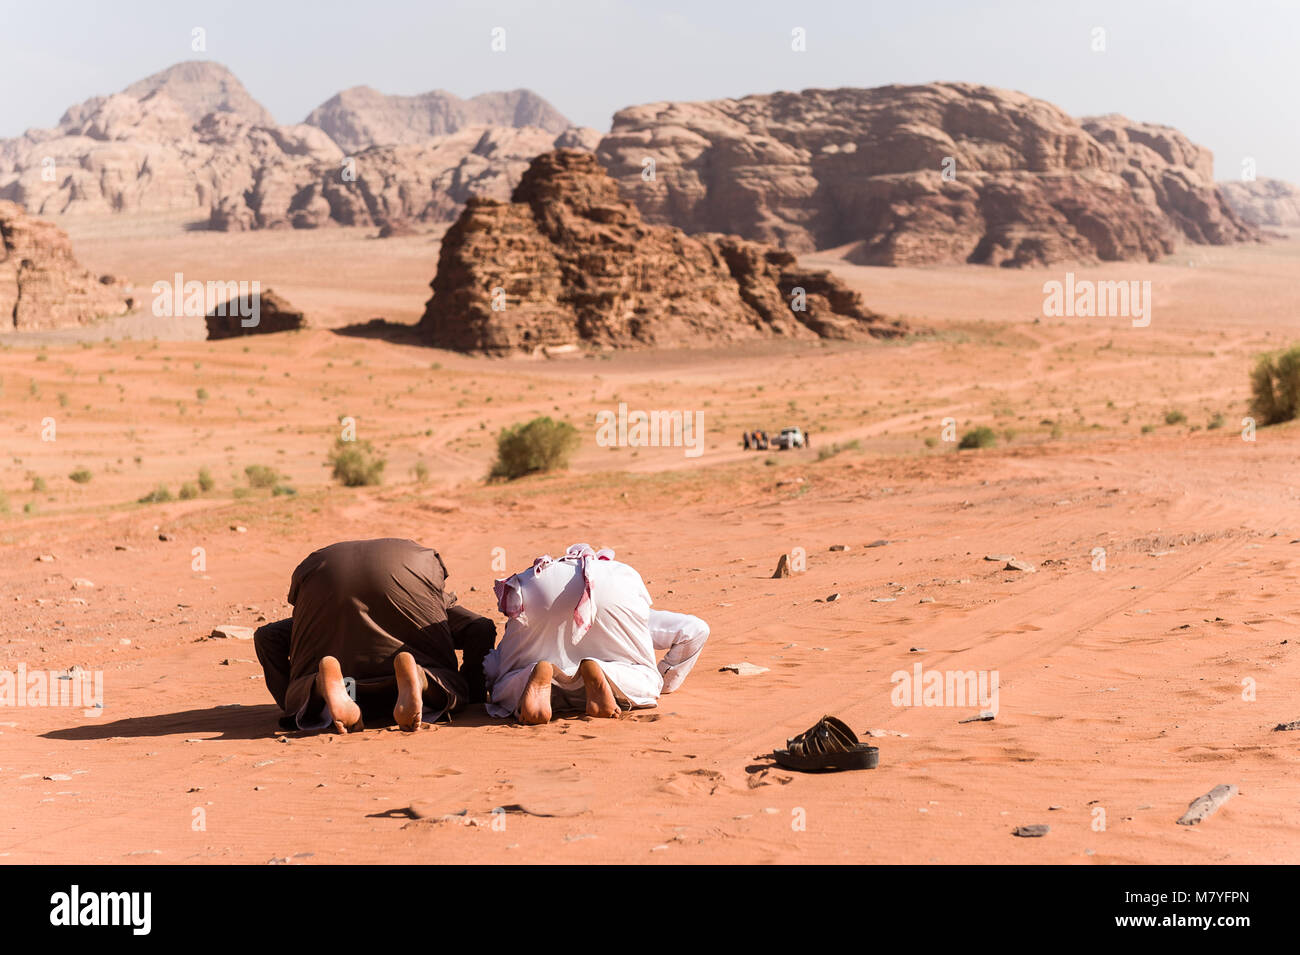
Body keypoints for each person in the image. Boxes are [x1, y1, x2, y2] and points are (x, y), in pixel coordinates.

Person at [253, 538, 496, 734]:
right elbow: (480, 628)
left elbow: (267, 637)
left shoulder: (316, 568)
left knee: (315, 690)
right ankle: (420, 678)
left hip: (349, 687)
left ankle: (319, 689)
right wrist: (473, 692)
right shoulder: (420, 574)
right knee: (445, 684)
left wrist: (289, 704)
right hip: (397, 688)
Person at [485, 544, 708, 724]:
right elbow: (694, 630)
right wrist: (662, 682)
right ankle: (603, 670)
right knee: (646, 679)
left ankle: (534, 672)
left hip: (534, 586)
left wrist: (491, 676)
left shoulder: (551, 574)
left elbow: (492, 666)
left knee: (505, 682)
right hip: (613, 588)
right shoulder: (620, 590)